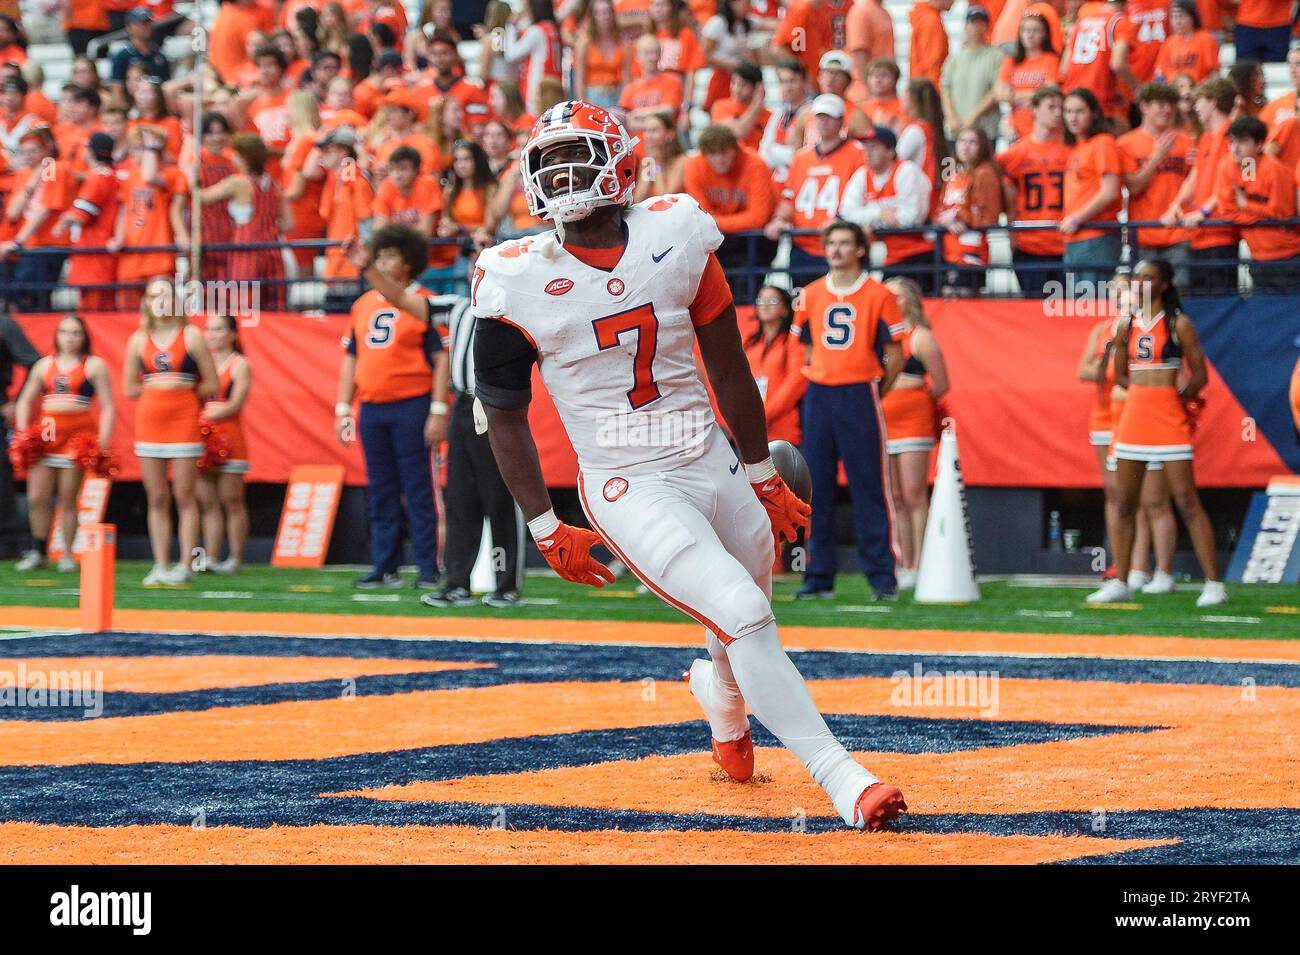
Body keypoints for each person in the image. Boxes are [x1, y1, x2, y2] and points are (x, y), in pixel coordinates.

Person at [470, 100, 907, 831]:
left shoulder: (676, 232)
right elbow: (503, 415)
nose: (562, 172)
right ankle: (844, 777)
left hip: (709, 454)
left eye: (578, 155)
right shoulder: (513, 276)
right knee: (742, 609)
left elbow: (729, 365)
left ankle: (723, 702)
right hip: (627, 481)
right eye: (549, 161)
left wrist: (763, 470)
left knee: (743, 609)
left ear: (624, 164)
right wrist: (546, 524)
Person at [1089, 258, 1226, 607]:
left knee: (1187, 502)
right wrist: (1143, 394)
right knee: (1124, 503)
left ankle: (1214, 584)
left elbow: (1200, 376)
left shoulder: (1179, 324)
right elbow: (1119, 375)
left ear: (1165, 283)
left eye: (1148, 278)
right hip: (1134, 420)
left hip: (1169, 422)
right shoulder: (1125, 325)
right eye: (1137, 278)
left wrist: (1173, 398)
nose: (1141, 283)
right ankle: (1121, 580)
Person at [792, 220, 904, 600]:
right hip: (819, 394)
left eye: (844, 243)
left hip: (859, 393)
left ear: (860, 249)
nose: (836, 250)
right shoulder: (809, 294)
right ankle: (818, 577)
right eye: (831, 243)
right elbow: (804, 349)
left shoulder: (880, 295)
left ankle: (882, 578)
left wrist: (874, 386)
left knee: (868, 488)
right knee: (815, 490)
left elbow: (895, 354)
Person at [337, 224, 450, 591]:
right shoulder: (362, 304)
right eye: (380, 255)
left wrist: (437, 408)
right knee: (380, 488)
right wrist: (342, 406)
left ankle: (429, 566)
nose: (382, 262)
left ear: (408, 262)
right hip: (373, 407)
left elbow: (440, 359)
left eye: (389, 255)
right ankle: (384, 564)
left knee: (419, 488)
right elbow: (352, 359)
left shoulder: (425, 301)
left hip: (413, 404)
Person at [421, 281, 525, 608]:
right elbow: (406, 302)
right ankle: (456, 582)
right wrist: (367, 268)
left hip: (497, 405)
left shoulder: (516, 304)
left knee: (500, 498)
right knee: (461, 498)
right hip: (462, 405)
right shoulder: (458, 305)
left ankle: (505, 583)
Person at [124, 279, 219, 586]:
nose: (159, 301)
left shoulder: (191, 335)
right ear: (146, 302)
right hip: (150, 422)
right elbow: (129, 387)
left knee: (184, 495)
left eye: (164, 295)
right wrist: (157, 391)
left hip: (184, 421)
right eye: (153, 296)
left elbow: (212, 384)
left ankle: (186, 565)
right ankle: (160, 564)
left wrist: (181, 390)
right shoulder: (138, 339)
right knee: (157, 497)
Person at [11, 316, 114, 572]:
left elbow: (109, 406)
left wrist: (102, 441)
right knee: (37, 497)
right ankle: (38, 551)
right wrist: (24, 432)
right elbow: (25, 401)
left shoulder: (94, 366)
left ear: (85, 336)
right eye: (65, 332)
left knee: (68, 499)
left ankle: (67, 554)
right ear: (57, 335)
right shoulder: (44, 366)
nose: (70, 337)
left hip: (77, 440)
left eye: (76, 332)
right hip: (46, 439)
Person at [882, 277, 947, 590]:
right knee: (895, 496)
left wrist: (915, 401)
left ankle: (922, 563)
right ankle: (904, 563)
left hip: (913, 423)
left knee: (913, 494)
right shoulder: (881, 338)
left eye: (896, 297)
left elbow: (942, 384)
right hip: (885, 423)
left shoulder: (920, 336)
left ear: (910, 300)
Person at [764, 94, 866, 290]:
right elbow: (789, 198)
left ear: (840, 121)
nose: (823, 122)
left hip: (841, 245)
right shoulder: (801, 158)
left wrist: (842, 221)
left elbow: (862, 196)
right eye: (819, 116)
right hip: (803, 246)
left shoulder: (857, 154)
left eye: (829, 117)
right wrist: (779, 219)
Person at [683, 124, 776, 303]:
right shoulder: (694, 165)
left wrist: (715, 221)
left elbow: (759, 217)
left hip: (752, 241)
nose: (719, 159)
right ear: (704, 154)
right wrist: (719, 222)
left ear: (735, 150)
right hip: (718, 239)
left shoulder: (754, 163)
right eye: (713, 154)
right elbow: (700, 215)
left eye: (724, 152)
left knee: (746, 291)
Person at [839, 124, 937, 294]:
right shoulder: (862, 174)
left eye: (874, 147)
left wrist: (868, 215)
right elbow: (847, 212)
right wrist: (879, 213)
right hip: (885, 254)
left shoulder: (906, 171)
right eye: (866, 148)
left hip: (915, 253)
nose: (868, 152)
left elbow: (910, 218)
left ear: (891, 151)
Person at [199, 133, 292, 309]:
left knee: (243, 306)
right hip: (273, 250)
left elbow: (201, 198)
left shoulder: (238, 182)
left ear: (244, 157)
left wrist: (190, 173)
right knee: (274, 307)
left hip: (246, 250)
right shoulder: (274, 185)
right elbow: (289, 224)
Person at [997, 85, 1070, 295]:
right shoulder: (1015, 153)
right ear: (1035, 109)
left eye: (1061, 108)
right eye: (1051, 107)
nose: (1058, 113)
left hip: (1063, 243)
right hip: (1028, 243)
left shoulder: (1071, 149)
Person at [1215, 116, 1300, 292]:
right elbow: (1226, 211)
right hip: (1258, 257)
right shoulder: (1229, 166)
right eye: (1232, 142)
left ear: (1260, 145)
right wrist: (1257, 213)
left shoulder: (1276, 171)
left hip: (1288, 257)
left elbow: (1282, 214)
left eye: (1243, 142)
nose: (1235, 148)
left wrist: (1245, 205)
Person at [196, 314, 251, 575]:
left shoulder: (239, 364)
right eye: (209, 329)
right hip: (200, 437)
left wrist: (204, 416)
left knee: (232, 500)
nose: (213, 334)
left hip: (229, 438)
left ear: (232, 334)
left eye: (219, 329)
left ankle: (235, 558)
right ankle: (210, 556)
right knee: (207, 502)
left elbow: (235, 404)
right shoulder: (198, 364)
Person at [1060, 87, 1123, 292]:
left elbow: (1110, 191)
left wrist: (1077, 218)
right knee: (1080, 307)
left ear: (1094, 113)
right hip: (1077, 236)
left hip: (1097, 236)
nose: (1073, 117)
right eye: (1068, 111)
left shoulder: (1103, 143)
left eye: (1079, 111)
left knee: (1094, 305)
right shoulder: (1078, 147)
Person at [936, 126, 1002, 295]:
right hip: (949, 252)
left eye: (973, 142)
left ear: (983, 147)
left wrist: (959, 215)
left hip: (970, 255)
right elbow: (939, 212)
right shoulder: (953, 176)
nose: (966, 146)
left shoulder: (984, 174)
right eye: (962, 141)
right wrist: (946, 219)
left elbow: (990, 218)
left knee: (965, 305)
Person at [744, 284, 806, 447]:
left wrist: (764, 414)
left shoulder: (793, 343)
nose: (764, 304)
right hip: (748, 432)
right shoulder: (749, 343)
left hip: (784, 432)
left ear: (785, 310)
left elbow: (796, 383)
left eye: (771, 300)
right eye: (760, 300)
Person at [0, 311, 38, 558]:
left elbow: (35, 362)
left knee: (1, 476)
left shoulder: (4, 325)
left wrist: (18, 400)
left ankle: (7, 541)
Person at [941, 5, 1006, 144]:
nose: (977, 27)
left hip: (984, 131)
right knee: (951, 165)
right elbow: (946, 89)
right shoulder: (954, 58)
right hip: (956, 132)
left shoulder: (996, 56)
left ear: (987, 27)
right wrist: (951, 118)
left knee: (984, 166)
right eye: (973, 23)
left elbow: (997, 90)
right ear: (965, 26)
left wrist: (972, 118)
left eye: (981, 23)